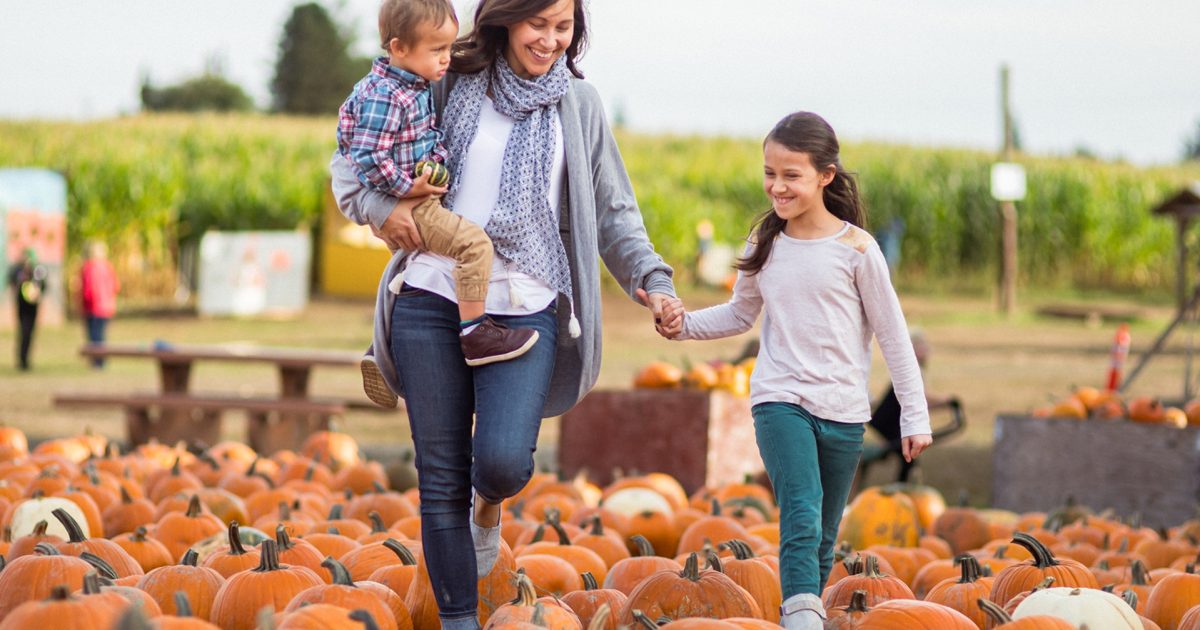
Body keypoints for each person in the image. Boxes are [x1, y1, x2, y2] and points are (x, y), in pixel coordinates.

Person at [329, 0, 678, 627]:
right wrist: (382, 212)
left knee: (502, 461)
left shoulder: (580, 105)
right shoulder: (449, 76)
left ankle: (488, 505)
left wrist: (652, 280)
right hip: (432, 294)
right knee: (438, 478)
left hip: (527, 300)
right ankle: (459, 619)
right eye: (536, 24)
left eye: (562, 27)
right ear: (506, 19)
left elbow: (613, 212)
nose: (548, 40)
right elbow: (354, 150)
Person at [656, 112, 933, 630]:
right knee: (801, 512)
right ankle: (802, 619)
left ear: (826, 175)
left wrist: (913, 417)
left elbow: (895, 338)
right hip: (780, 400)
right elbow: (741, 313)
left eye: (791, 175)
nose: (776, 187)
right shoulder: (766, 242)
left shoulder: (858, 249)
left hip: (844, 411)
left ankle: (803, 608)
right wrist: (683, 326)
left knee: (825, 532)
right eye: (770, 174)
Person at [336, 0, 539, 409]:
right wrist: (406, 189)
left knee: (405, 271)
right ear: (398, 48)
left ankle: (382, 349)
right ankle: (475, 332)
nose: (446, 59)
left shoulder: (409, 83)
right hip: (416, 201)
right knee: (473, 246)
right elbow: (365, 156)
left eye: (448, 48)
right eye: (437, 50)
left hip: (421, 196)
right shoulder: (388, 96)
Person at [867, 329, 959, 483]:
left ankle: (902, 489)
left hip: (888, 423)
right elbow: (922, 398)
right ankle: (900, 491)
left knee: (908, 458)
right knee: (908, 457)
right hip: (886, 423)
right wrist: (947, 401)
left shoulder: (915, 370)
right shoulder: (912, 370)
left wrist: (944, 405)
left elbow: (920, 404)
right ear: (912, 349)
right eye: (922, 346)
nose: (927, 350)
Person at [79, 241, 119, 367]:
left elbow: (88, 290)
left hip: (93, 307)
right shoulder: (108, 267)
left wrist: (85, 304)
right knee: (101, 335)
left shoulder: (88, 267)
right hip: (107, 307)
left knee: (94, 336)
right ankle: (100, 361)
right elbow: (116, 286)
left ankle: (97, 362)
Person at [8, 248, 47, 371]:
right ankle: (22, 359)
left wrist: (38, 292)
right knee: (23, 331)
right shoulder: (18, 270)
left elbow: (44, 285)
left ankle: (26, 359)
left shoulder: (38, 270)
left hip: (33, 306)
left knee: (29, 332)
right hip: (22, 305)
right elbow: (12, 281)